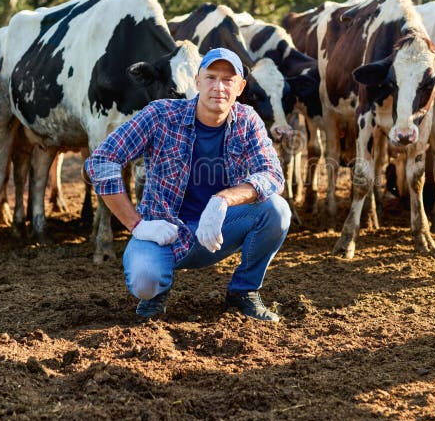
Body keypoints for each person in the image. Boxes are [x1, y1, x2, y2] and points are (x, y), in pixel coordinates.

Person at [85, 47, 290, 322]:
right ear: (197, 81)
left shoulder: (247, 120)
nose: (219, 87)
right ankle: (157, 293)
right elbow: (101, 161)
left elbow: (272, 175)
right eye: (211, 77)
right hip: (163, 231)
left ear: (240, 87)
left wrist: (223, 200)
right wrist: (136, 224)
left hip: (217, 231)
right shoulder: (160, 115)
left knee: (276, 210)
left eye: (228, 80)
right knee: (144, 282)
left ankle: (244, 291)